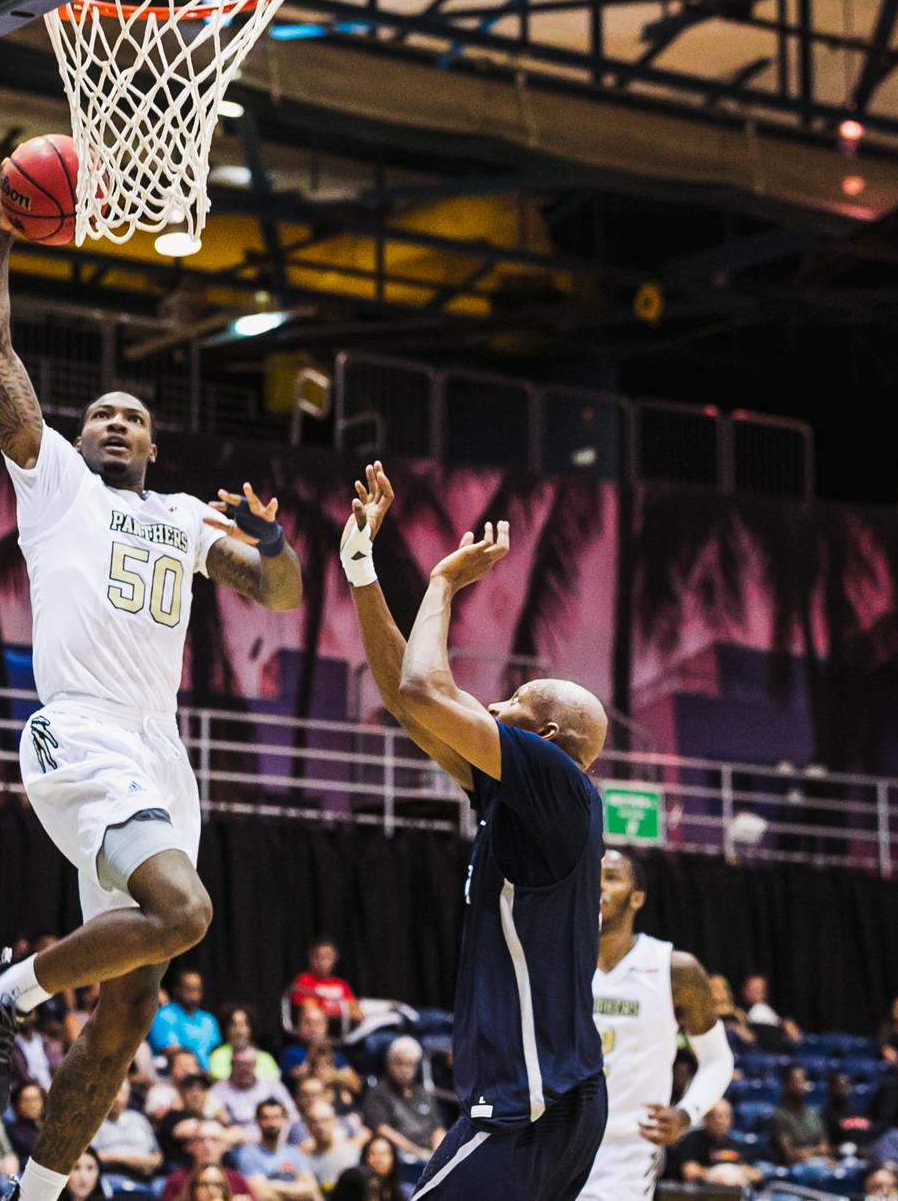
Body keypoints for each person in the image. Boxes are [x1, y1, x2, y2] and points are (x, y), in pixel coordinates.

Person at [0, 193, 304, 1201]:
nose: (116, 423)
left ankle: (33, 1195)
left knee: (128, 1011)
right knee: (185, 909)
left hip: (160, 753)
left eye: (134, 418)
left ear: (152, 448)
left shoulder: (184, 515)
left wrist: (273, 540)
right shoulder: (55, 482)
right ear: (81, 433)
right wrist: (0, 233)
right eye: (103, 412)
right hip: (80, 729)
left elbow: (279, 591)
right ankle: (1, 988)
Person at [341, 466, 610, 1201]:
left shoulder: (557, 781)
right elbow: (409, 703)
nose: (492, 703)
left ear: (546, 736)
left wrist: (443, 583)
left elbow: (428, 688)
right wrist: (361, 568)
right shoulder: (525, 802)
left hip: (532, 1102)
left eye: (514, 699)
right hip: (548, 1096)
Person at [576, 850, 733, 1201]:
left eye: (611, 878)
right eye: (591, 878)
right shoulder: (557, 962)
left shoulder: (675, 969)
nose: (598, 886)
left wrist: (687, 1114)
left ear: (637, 898)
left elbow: (718, 1059)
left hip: (627, 1150)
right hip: (554, 1141)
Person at [356, 1039, 437, 1164]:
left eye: (410, 1064)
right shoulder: (378, 1092)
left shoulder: (423, 1093)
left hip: (429, 1154)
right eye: (399, 1063)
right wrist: (417, 1152)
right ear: (389, 1063)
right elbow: (382, 1129)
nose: (405, 1070)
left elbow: (438, 1128)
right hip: (399, 1157)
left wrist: (439, 1154)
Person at [236, 1100, 320, 1201]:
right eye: (266, 1118)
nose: (271, 1123)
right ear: (257, 1121)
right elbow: (262, 1195)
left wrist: (275, 1185)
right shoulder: (248, 1153)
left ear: (284, 1120)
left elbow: (311, 1189)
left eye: (276, 1117)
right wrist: (297, 1191)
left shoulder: (294, 1152)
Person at [211, 1046, 296, 1145]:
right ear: (231, 1065)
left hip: (273, 1141)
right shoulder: (218, 1090)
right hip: (233, 1145)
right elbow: (211, 1124)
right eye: (239, 1064)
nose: (244, 1069)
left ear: (255, 1065)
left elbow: (293, 1116)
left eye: (248, 1064)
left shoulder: (272, 1087)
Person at [664, 1103, 755, 1187]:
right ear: (706, 1119)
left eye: (726, 1116)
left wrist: (732, 1174)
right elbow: (689, 1172)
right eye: (717, 1116)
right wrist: (718, 1173)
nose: (721, 1121)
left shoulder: (734, 1144)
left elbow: (754, 1174)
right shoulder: (693, 1140)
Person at [164, 1123, 258, 1201]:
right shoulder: (176, 1180)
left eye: (214, 1140)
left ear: (226, 1146)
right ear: (190, 1146)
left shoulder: (236, 1180)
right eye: (201, 1140)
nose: (207, 1145)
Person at [286, 943, 364, 1029]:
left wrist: (343, 1014)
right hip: (317, 1027)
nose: (322, 961)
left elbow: (354, 1009)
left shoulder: (340, 983)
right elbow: (307, 1007)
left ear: (334, 959)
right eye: (318, 956)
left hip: (343, 1025)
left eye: (327, 957)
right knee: (314, 1015)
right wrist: (338, 1014)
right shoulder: (304, 980)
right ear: (311, 959)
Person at [150, 972, 224, 1062]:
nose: (194, 995)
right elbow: (169, 1050)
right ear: (176, 990)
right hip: (179, 1068)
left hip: (211, 1070)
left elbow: (217, 1051)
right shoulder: (163, 1015)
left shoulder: (208, 1019)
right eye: (189, 989)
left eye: (197, 990)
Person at [91, 1083, 160, 1180]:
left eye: (121, 1093)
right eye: (113, 1093)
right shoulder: (94, 1123)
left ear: (128, 1097)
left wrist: (147, 1162)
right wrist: (125, 1160)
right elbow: (90, 1156)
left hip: (145, 1176)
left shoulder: (139, 1118)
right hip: (112, 1175)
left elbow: (157, 1155)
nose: (117, 1099)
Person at [768, 1065, 831, 1165]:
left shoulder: (815, 1113)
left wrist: (807, 1152)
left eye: (803, 1081)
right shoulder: (778, 1115)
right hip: (794, 1168)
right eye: (796, 1081)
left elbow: (825, 1149)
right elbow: (790, 1155)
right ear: (785, 1085)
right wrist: (816, 1151)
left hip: (820, 1164)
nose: (801, 1086)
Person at [299, 1100, 362, 1190]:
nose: (320, 1126)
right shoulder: (303, 1159)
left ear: (334, 1121)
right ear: (307, 1126)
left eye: (325, 1120)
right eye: (314, 1122)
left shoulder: (353, 1153)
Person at [210, 1007, 281, 1084]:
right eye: (234, 1025)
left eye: (243, 1025)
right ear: (227, 1029)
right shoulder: (217, 1055)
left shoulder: (266, 1059)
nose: (238, 1030)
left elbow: (272, 1085)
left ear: (251, 1029)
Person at [329, 1133, 406, 1201]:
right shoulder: (350, 1182)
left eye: (384, 1154)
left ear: (393, 1159)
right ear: (364, 1157)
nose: (379, 1160)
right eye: (373, 1154)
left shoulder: (398, 1192)